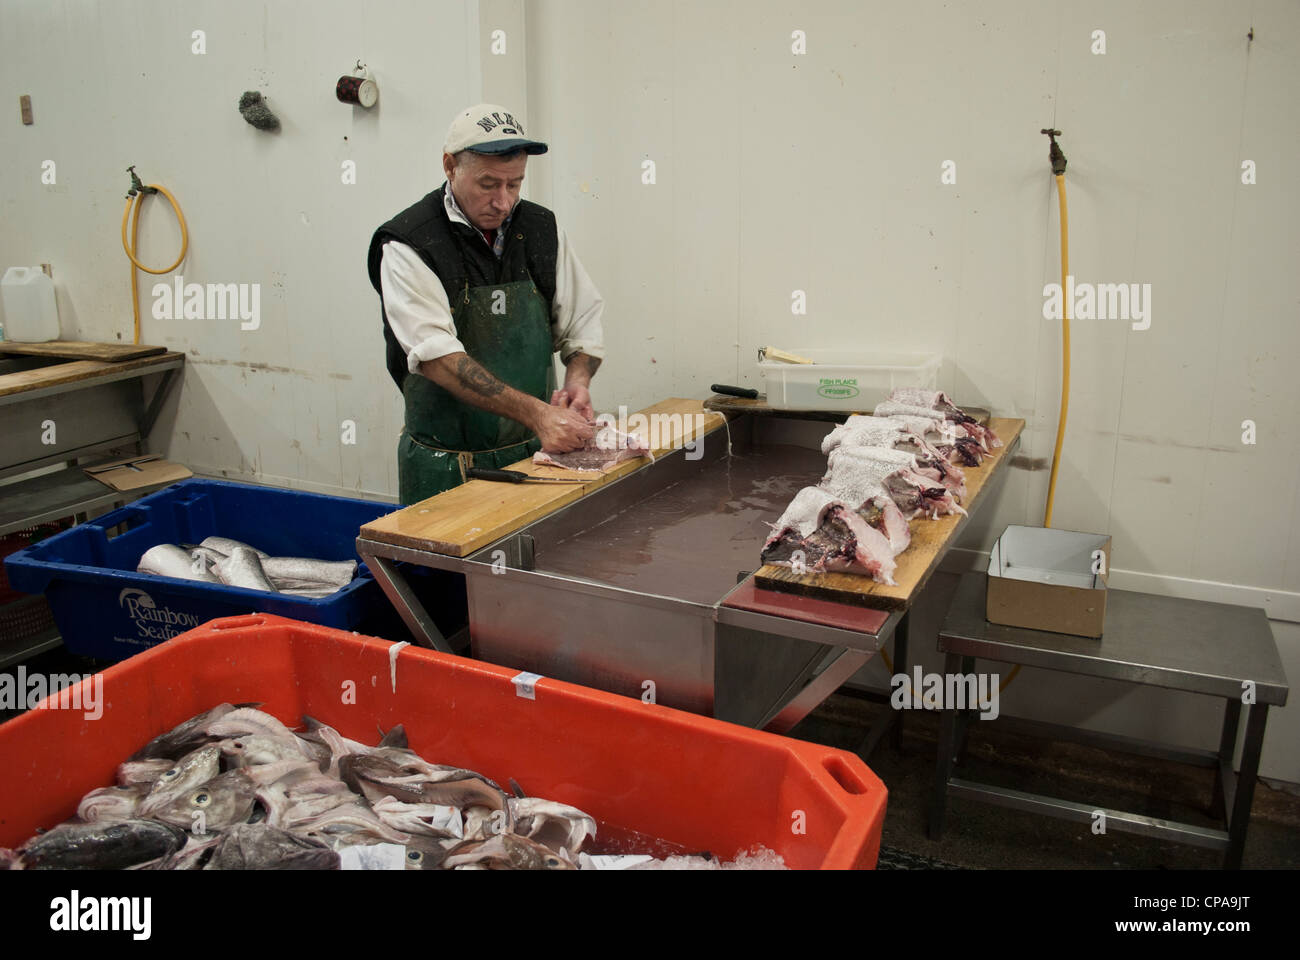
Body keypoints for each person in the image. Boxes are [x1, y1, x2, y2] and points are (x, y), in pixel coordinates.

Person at [367, 103, 605, 503]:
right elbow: (438, 358)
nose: (504, 202)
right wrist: (539, 414)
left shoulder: (540, 228)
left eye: (514, 185)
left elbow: (582, 320)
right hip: (446, 466)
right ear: (449, 166)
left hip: (533, 455)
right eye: (488, 184)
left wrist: (577, 382)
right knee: (441, 567)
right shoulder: (410, 243)